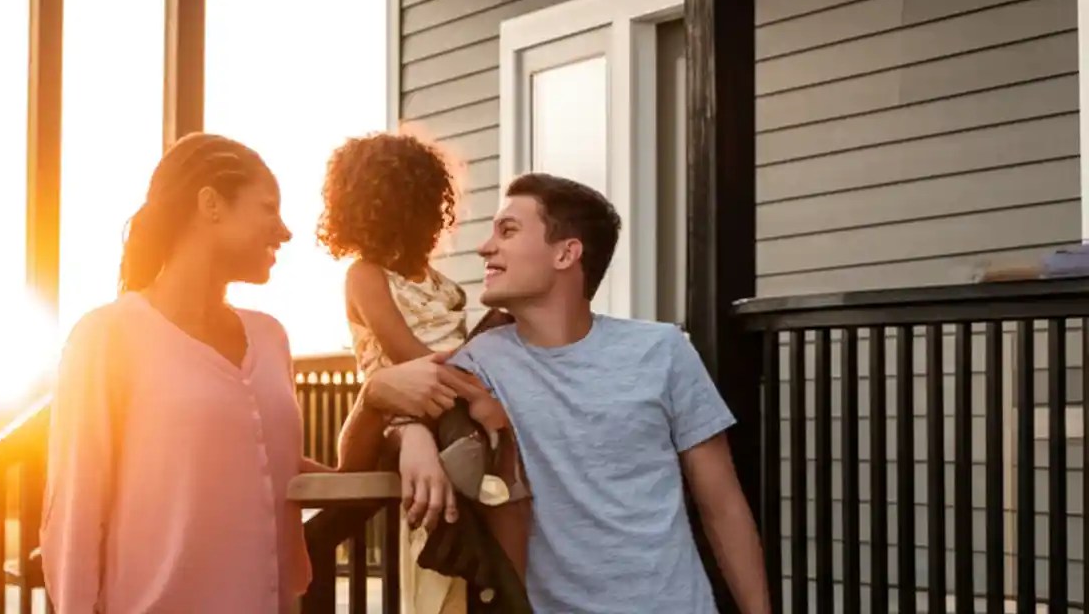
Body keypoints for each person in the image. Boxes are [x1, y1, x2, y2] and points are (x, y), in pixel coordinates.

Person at [378, 173, 772, 613]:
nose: (485, 247)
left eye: (507, 231)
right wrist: (411, 433)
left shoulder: (663, 350)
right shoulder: (478, 364)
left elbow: (723, 505)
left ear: (566, 253)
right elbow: (390, 413)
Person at [41, 133, 328, 614]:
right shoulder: (107, 336)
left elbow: (264, 465)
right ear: (211, 204)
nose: (284, 231)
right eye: (268, 208)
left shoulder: (271, 337)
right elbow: (76, 509)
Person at [318, 130, 526, 613]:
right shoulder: (364, 276)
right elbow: (406, 353)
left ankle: (477, 489)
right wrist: (474, 387)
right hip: (403, 407)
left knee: (503, 324)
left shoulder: (444, 287)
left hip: (451, 400)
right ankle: (475, 513)